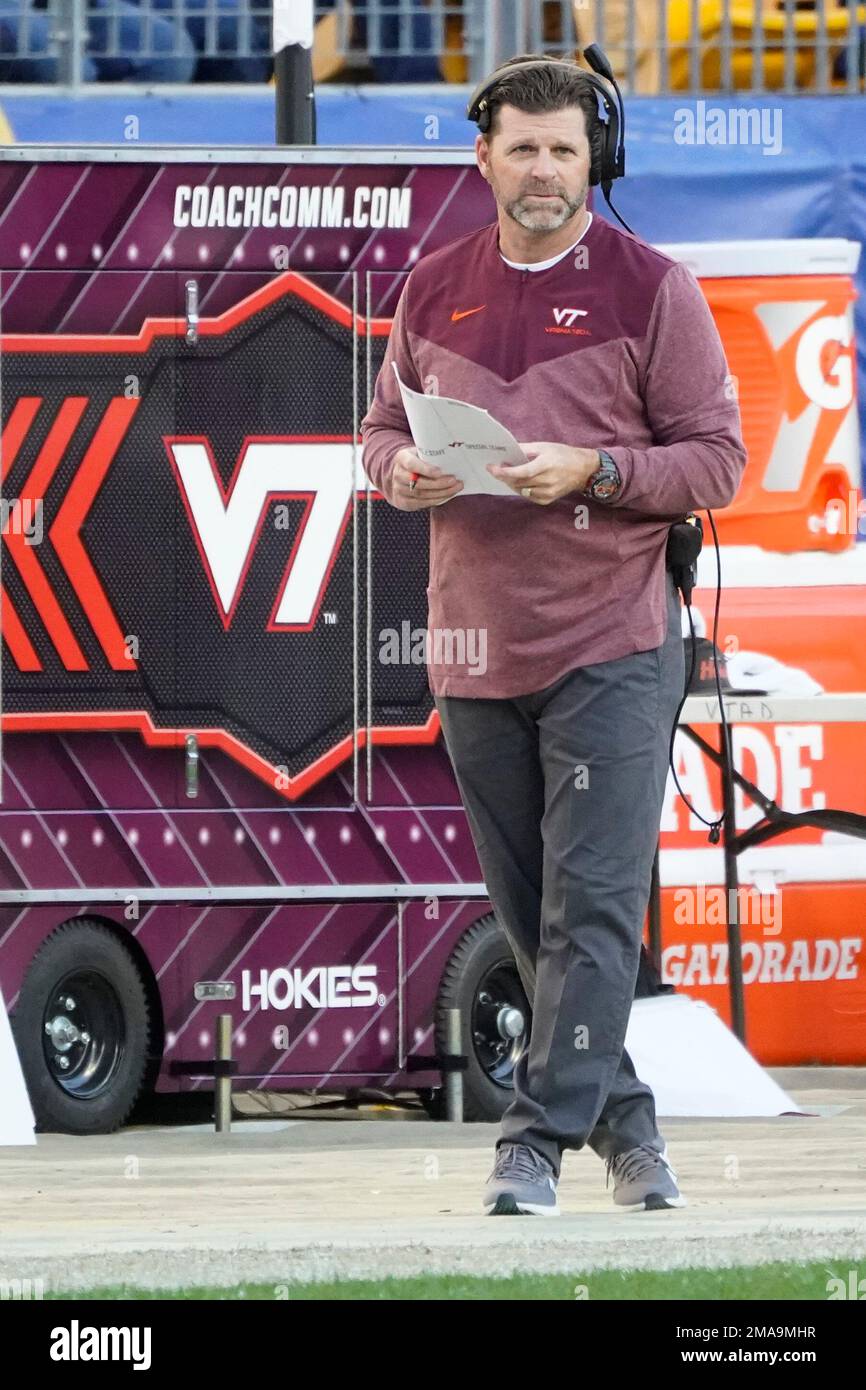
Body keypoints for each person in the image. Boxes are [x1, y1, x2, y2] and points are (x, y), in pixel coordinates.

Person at [360, 53, 747, 1216]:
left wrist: (598, 469)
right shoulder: (431, 287)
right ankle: (632, 1138)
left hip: (614, 644)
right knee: (535, 919)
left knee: (587, 909)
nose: (541, 171)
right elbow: (377, 431)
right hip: (471, 647)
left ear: (596, 163)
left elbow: (718, 460)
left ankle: (527, 1145)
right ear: (482, 156)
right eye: (521, 147)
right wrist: (401, 473)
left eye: (563, 151)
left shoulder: (651, 288)